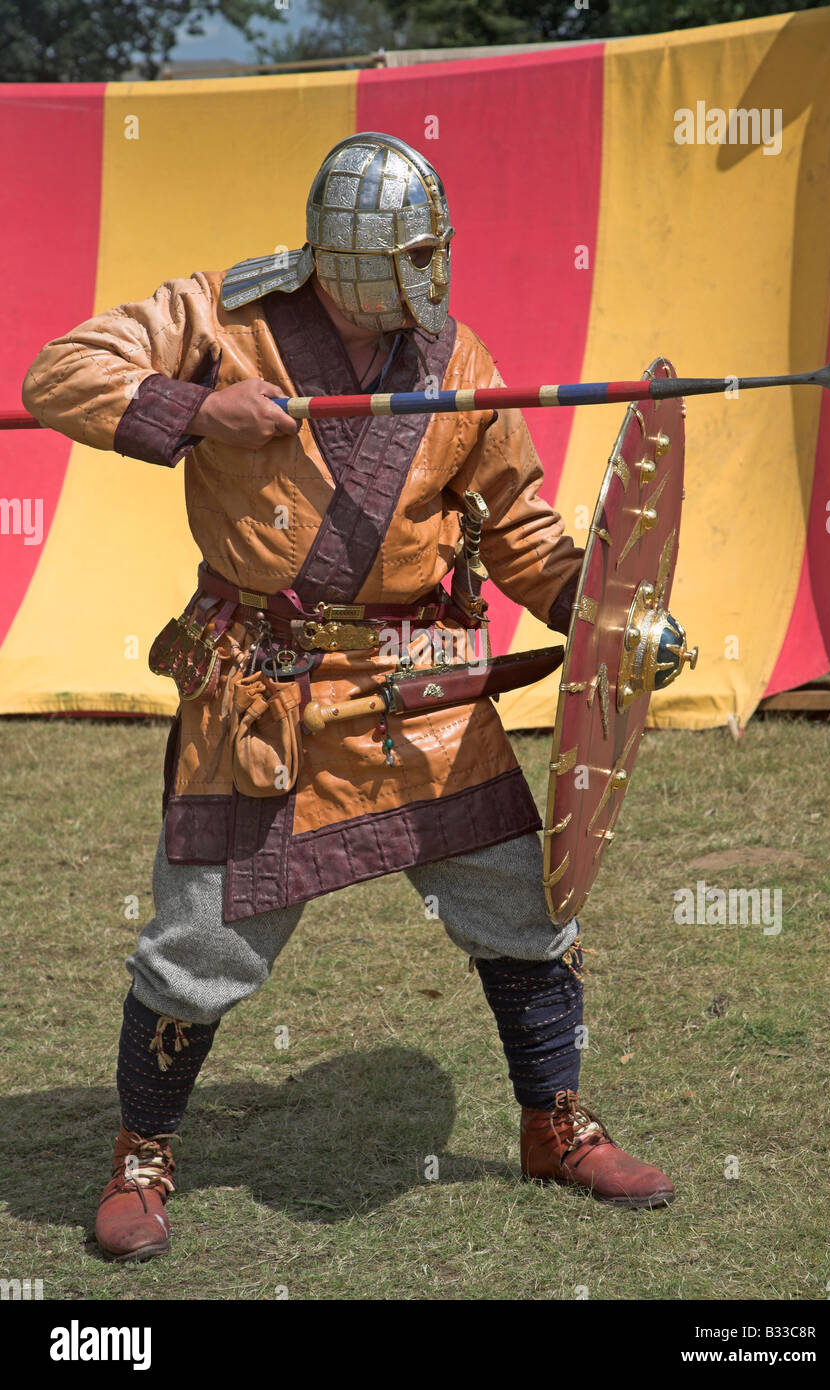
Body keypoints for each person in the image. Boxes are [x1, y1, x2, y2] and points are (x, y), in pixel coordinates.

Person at [22, 132, 673, 1263]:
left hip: (417, 691)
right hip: (260, 697)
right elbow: (57, 374)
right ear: (348, 256)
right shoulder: (218, 317)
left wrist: (598, 607)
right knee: (197, 946)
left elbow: (516, 522)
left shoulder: (454, 355)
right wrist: (192, 412)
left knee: (524, 905)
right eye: (408, 254)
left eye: (436, 250)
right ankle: (143, 1150)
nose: (428, 275)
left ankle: (551, 1121)